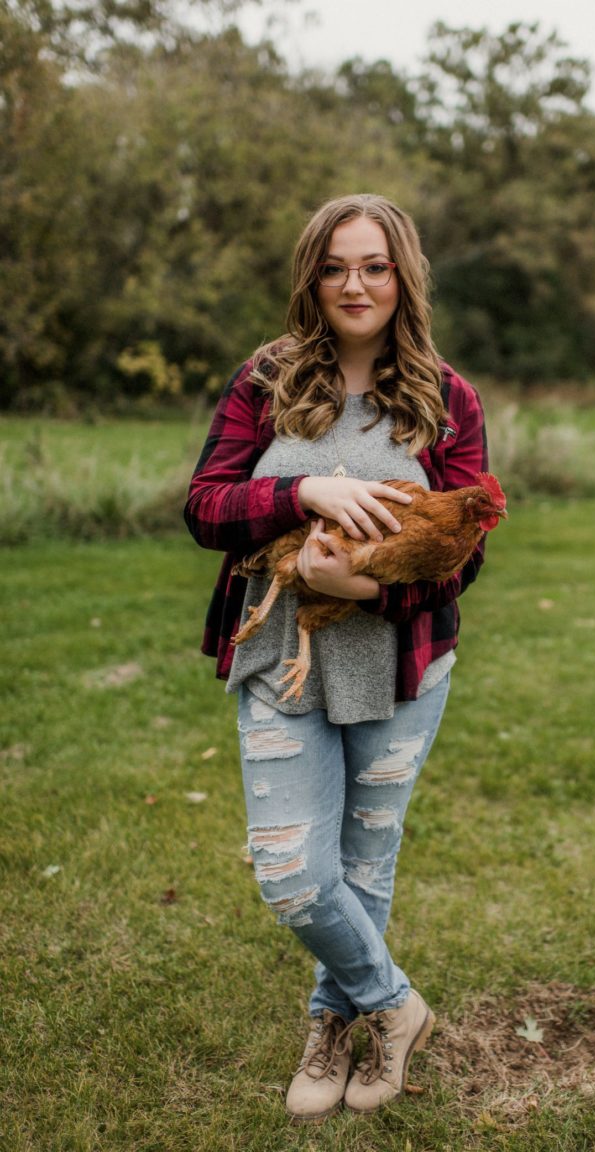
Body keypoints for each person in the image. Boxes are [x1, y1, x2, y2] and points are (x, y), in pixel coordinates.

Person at [184, 193, 489, 1121]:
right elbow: (205, 505)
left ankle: (335, 1025)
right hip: (282, 657)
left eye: (374, 266)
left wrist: (372, 594)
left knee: (364, 862)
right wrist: (301, 487)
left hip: (402, 668)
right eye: (335, 267)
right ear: (311, 277)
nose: (354, 284)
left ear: (403, 276)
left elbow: (465, 551)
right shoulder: (267, 378)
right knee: (290, 869)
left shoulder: (447, 397)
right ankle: (396, 1007)